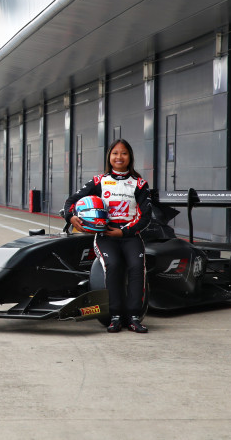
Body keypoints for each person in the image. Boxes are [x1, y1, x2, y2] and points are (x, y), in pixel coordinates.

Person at [63, 139, 152, 334]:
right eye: (115, 153)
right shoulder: (98, 181)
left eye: (124, 153)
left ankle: (135, 317)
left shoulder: (140, 184)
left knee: (137, 268)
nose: (119, 157)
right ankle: (115, 317)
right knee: (114, 266)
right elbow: (70, 201)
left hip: (130, 235)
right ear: (109, 157)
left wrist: (124, 231)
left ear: (130, 158)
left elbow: (146, 217)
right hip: (105, 236)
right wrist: (71, 217)